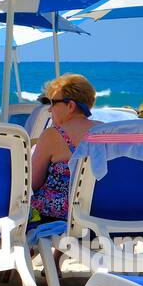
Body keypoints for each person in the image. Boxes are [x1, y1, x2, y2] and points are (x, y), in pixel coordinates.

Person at [29, 74, 99, 223]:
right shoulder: (106, 131)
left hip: (56, 218)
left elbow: (32, 184)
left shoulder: (53, 135)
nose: (49, 110)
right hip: (96, 214)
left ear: (71, 106)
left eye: (53, 103)